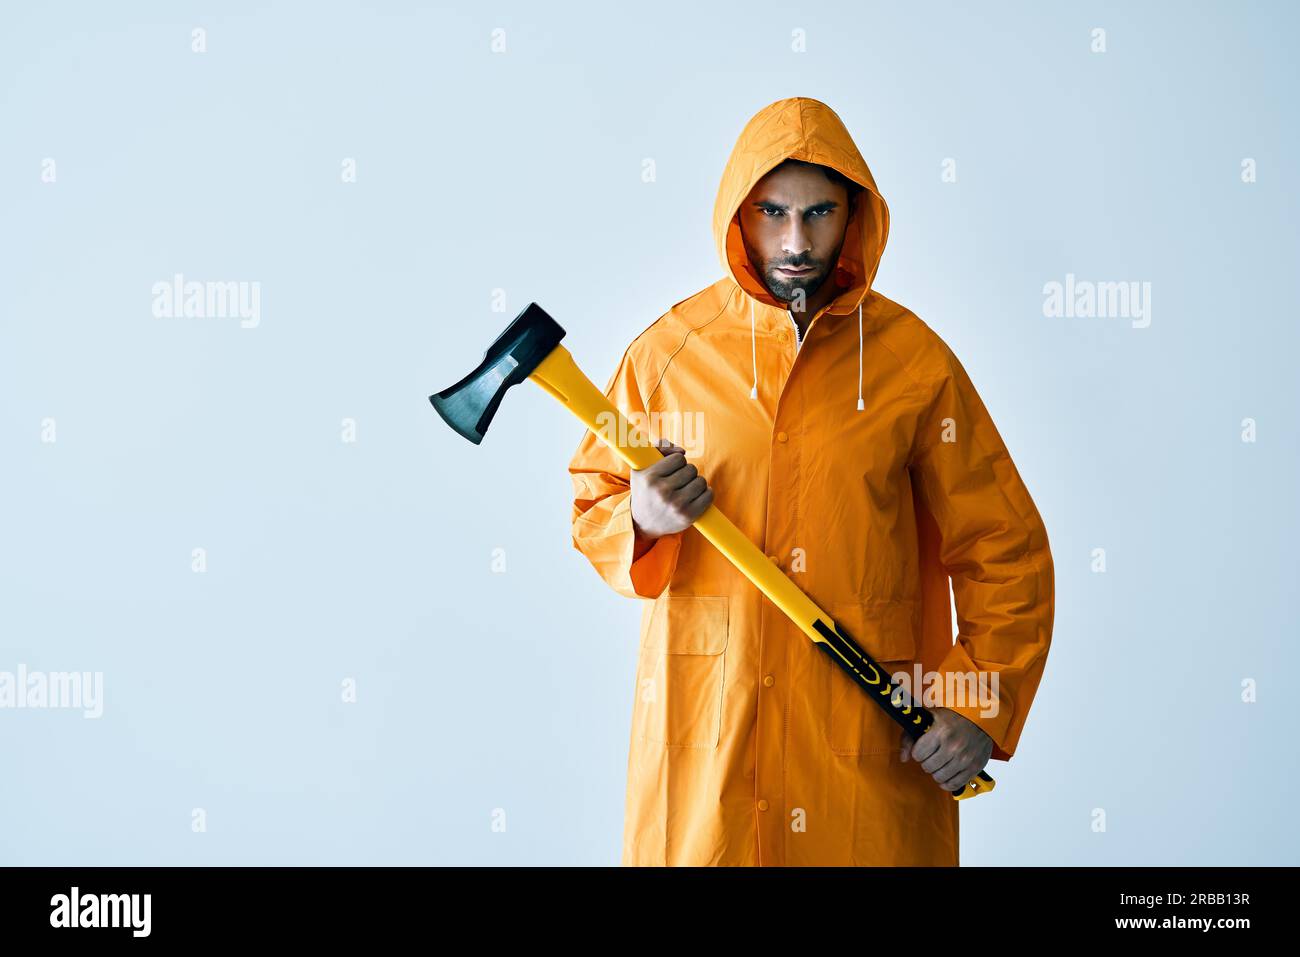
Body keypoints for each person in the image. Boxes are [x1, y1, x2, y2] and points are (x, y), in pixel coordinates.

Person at [567, 96, 1055, 866]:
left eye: (819, 212)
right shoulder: (667, 357)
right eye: (772, 213)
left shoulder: (912, 365)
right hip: (708, 770)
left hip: (865, 768)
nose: (795, 240)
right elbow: (592, 504)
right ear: (739, 215)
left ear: (854, 215)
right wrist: (642, 518)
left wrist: (976, 704)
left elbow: (1006, 550)